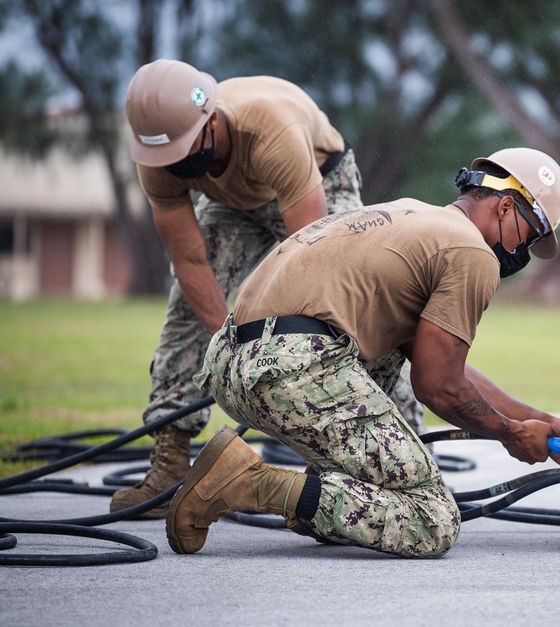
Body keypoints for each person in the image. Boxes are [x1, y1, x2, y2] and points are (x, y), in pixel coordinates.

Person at [165, 147, 560, 558]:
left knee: (399, 354)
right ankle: (249, 482)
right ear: (504, 208)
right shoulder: (471, 252)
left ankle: (329, 490)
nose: (521, 253)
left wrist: (536, 419)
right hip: (292, 366)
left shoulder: (414, 215)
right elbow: (439, 387)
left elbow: (437, 363)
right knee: (432, 521)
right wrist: (510, 434)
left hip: (231, 361)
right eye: (529, 236)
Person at [112, 59, 423, 517]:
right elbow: (191, 260)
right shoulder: (157, 161)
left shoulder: (271, 131)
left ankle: (404, 453)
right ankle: (170, 457)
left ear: (211, 120)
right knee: (185, 307)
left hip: (318, 183)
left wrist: (293, 357)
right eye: (168, 158)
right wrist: (231, 344)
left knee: (359, 313)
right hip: (231, 204)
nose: (177, 164)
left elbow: (314, 263)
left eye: (184, 150)